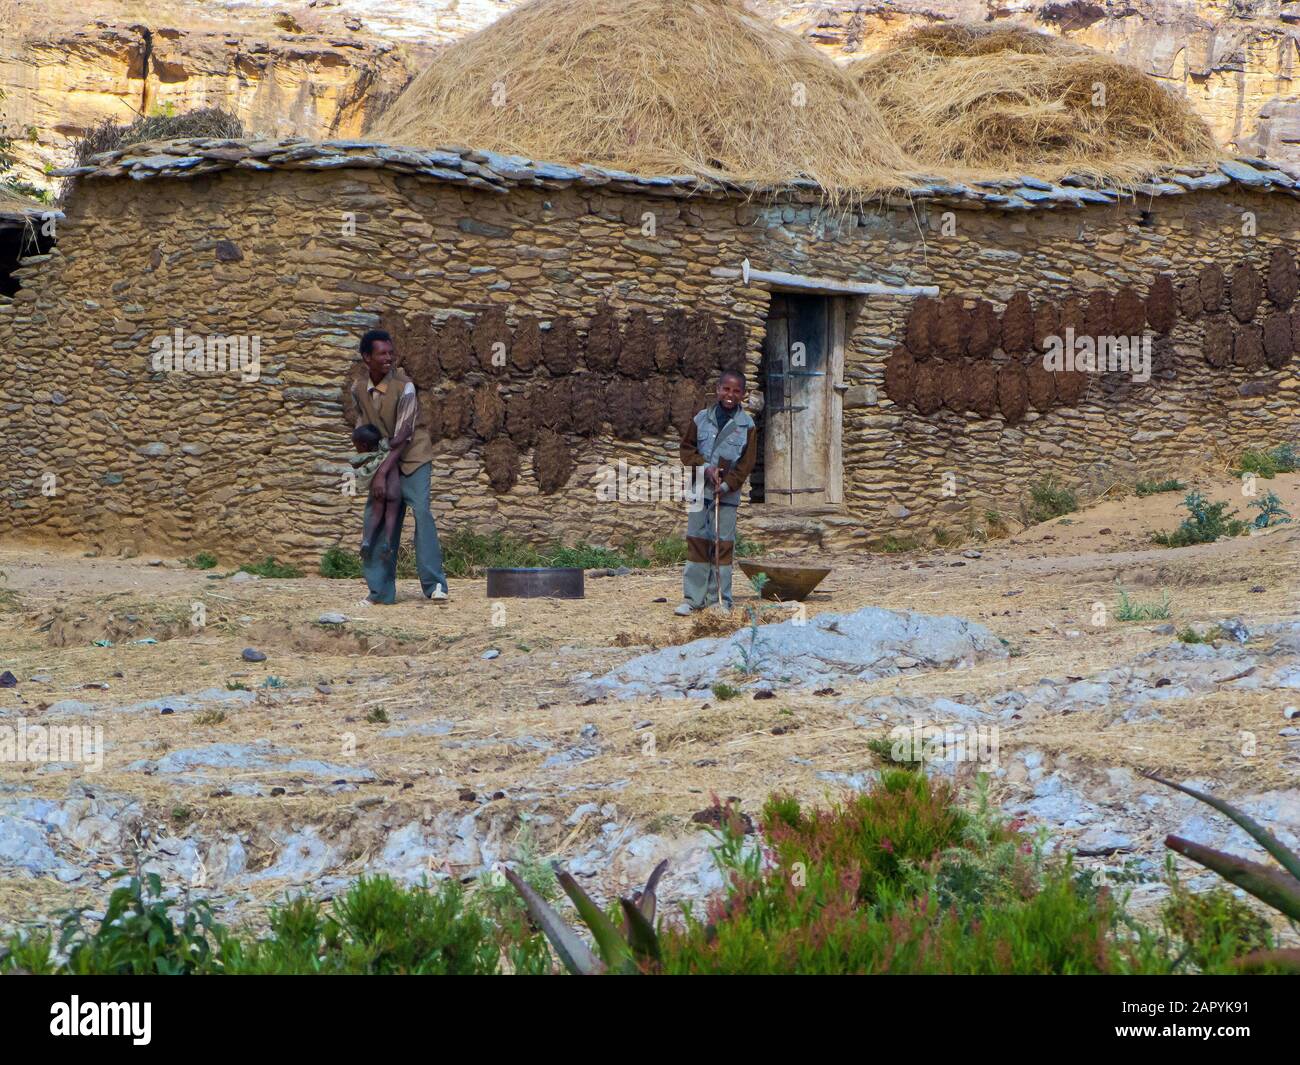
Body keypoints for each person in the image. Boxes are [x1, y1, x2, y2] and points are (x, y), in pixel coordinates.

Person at [349, 329, 449, 604]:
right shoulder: (358, 389)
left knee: (422, 512)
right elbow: (362, 425)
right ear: (366, 357)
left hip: (413, 455)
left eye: (391, 353)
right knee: (376, 516)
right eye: (382, 353)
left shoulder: (405, 387)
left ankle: (434, 585)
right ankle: (379, 591)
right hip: (384, 455)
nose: (389, 358)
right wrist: (371, 463)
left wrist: (381, 473)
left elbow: (404, 434)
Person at [676, 369, 758, 614]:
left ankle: (720, 601)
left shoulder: (747, 425)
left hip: (727, 495)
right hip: (700, 490)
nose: (730, 395)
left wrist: (727, 484)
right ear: (717, 389)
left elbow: (747, 462)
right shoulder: (701, 418)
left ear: (743, 394)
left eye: (736, 391)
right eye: (726, 389)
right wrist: (705, 468)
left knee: (722, 544)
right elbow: (687, 449)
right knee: (697, 542)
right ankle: (693, 599)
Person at [348, 424, 396, 558]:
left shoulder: (368, 456)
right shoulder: (387, 449)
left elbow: (354, 462)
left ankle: (367, 540)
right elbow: (398, 441)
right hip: (393, 486)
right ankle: (387, 541)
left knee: (375, 514)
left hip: (378, 488)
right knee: (391, 513)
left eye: (356, 445)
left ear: (363, 446)